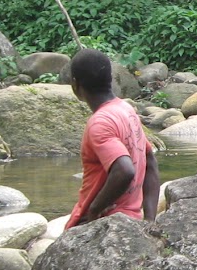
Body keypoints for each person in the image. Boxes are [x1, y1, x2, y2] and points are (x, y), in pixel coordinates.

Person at [68, 48, 159, 227]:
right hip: (130, 221)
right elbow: (150, 162)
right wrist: (149, 221)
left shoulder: (99, 123)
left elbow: (124, 170)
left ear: (75, 85)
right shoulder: (127, 110)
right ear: (110, 78)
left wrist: (94, 210)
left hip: (102, 223)